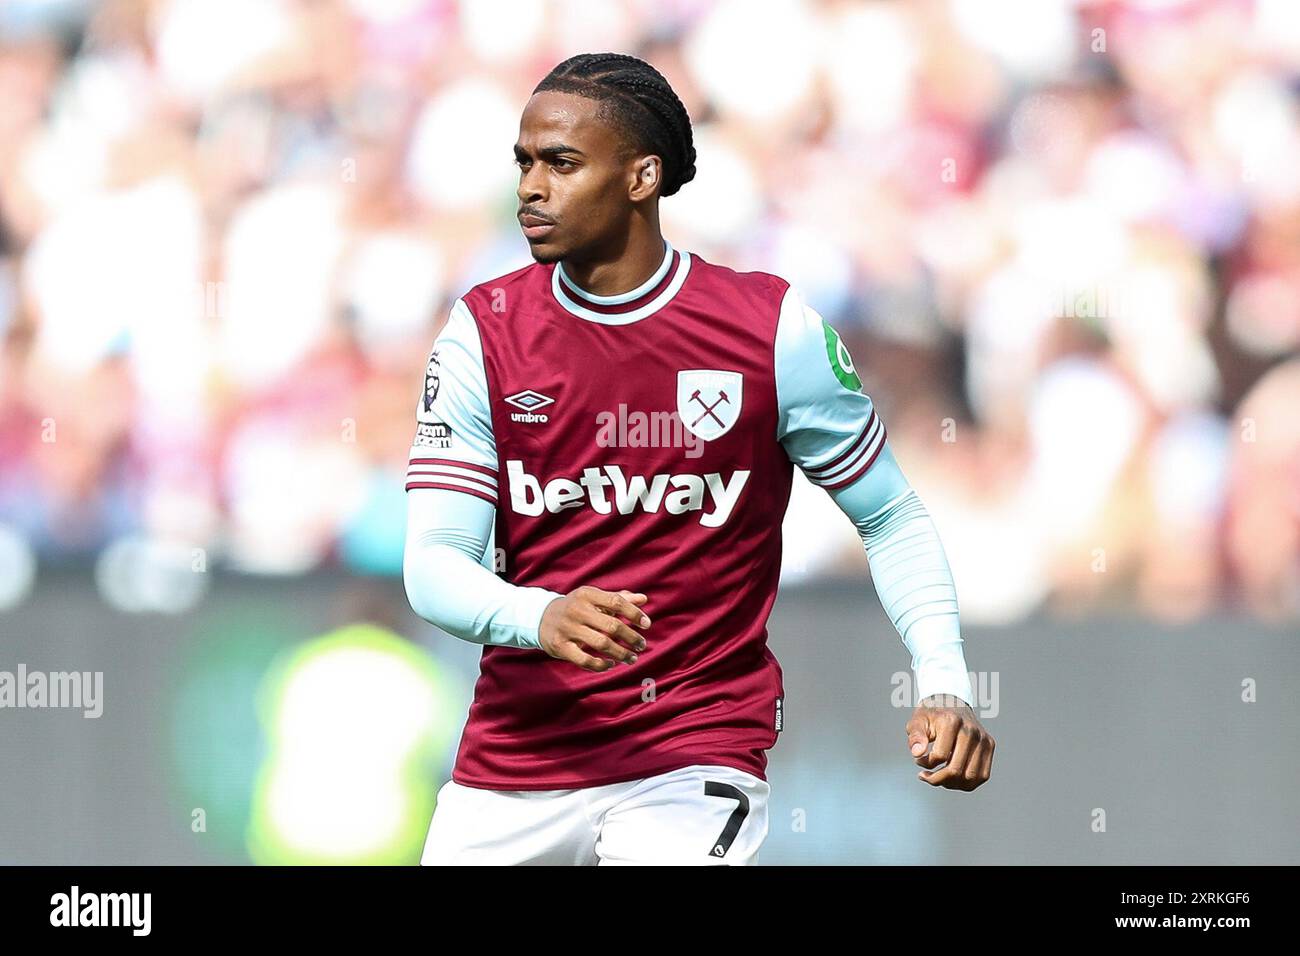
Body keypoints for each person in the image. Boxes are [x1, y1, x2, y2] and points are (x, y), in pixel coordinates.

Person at [403, 52, 994, 866]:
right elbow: (434, 562)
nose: (531, 188)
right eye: (524, 163)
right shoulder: (483, 333)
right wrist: (537, 614)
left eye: (562, 163)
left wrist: (944, 678)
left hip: (692, 750)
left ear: (642, 176)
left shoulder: (770, 333)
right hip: (517, 757)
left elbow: (889, 516)